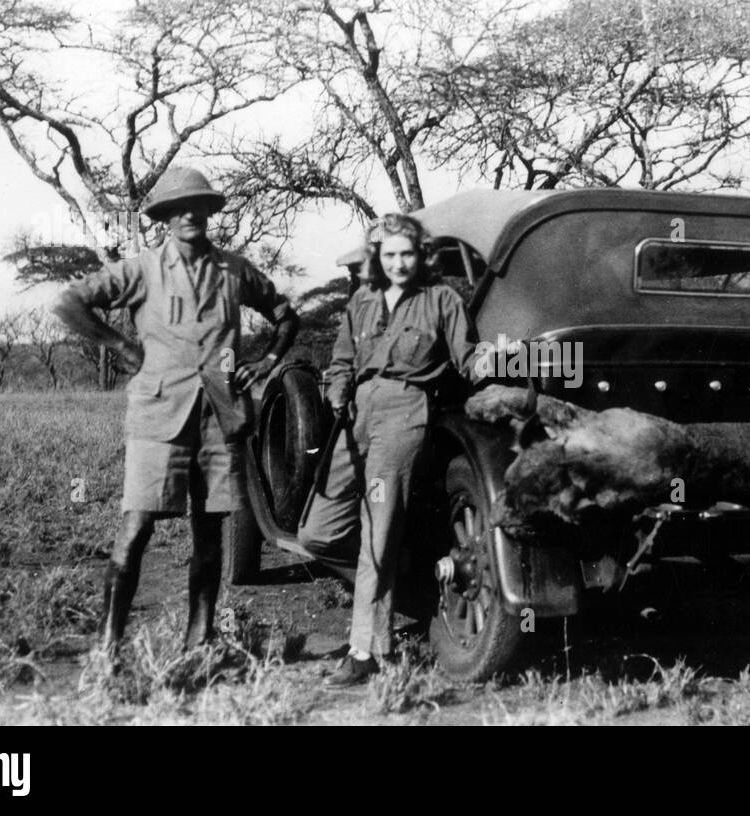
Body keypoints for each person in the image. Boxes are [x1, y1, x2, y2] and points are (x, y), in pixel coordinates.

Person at [53, 167, 299, 659]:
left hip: (220, 417)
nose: (190, 214)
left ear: (210, 213)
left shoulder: (235, 270)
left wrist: (268, 358)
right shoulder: (141, 269)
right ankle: (108, 647)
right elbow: (70, 302)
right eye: (177, 207)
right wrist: (121, 345)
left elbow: (286, 314)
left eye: (199, 205)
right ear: (163, 217)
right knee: (136, 527)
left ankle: (200, 642)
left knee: (210, 535)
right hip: (158, 412)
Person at [298, 213, 483, 687]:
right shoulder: (361, 301)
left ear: (421, 256)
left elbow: (467, 359)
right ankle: (399, 572)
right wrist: (338, 390)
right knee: (317, 532)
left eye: (406, 254)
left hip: (404, 414)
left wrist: (506, 357)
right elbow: (341, 361)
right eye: (389, 254)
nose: (398, 263)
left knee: (377, 534)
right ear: (377, 258)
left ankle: (367, 652)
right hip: (356, 416)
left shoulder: (442, 299)